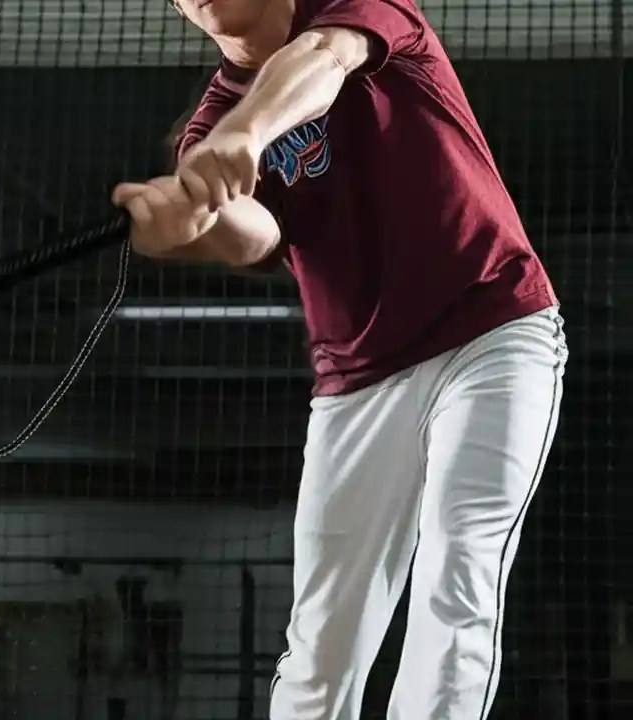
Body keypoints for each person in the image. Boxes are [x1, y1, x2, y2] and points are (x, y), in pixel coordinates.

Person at [111, 0, 567, 717]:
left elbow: (324, 58)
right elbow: (256, 236)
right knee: (324, 640)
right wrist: (193, 219)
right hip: (358, 379)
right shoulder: (206, 131)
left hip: (492, 328)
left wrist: (248, 132)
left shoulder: (356, 9)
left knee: (458, 570)